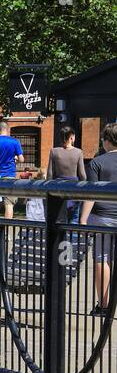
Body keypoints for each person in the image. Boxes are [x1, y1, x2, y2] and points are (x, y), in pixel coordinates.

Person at [80, 123, 117, 316]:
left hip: (102, 217)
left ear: (107, 141)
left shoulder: (96, 163)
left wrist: (83, 220)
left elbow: (90, 194)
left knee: (102, 259)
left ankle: (103, 306)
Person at [0, 122, 24, 219]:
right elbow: (21, 159)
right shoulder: (15, 142)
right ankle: (6, 230)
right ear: (8, 129)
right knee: (9, 204)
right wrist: (15, 161)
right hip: (10, 175)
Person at [49, 125, 86, 224]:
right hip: (74, 188)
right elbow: (83, 175)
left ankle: (61, 239)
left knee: (60, 219)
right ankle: (72, 239)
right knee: (74, 218)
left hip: (58, 188)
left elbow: (50, 174)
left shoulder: (54, 151)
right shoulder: (78, 152)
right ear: (72, 137)